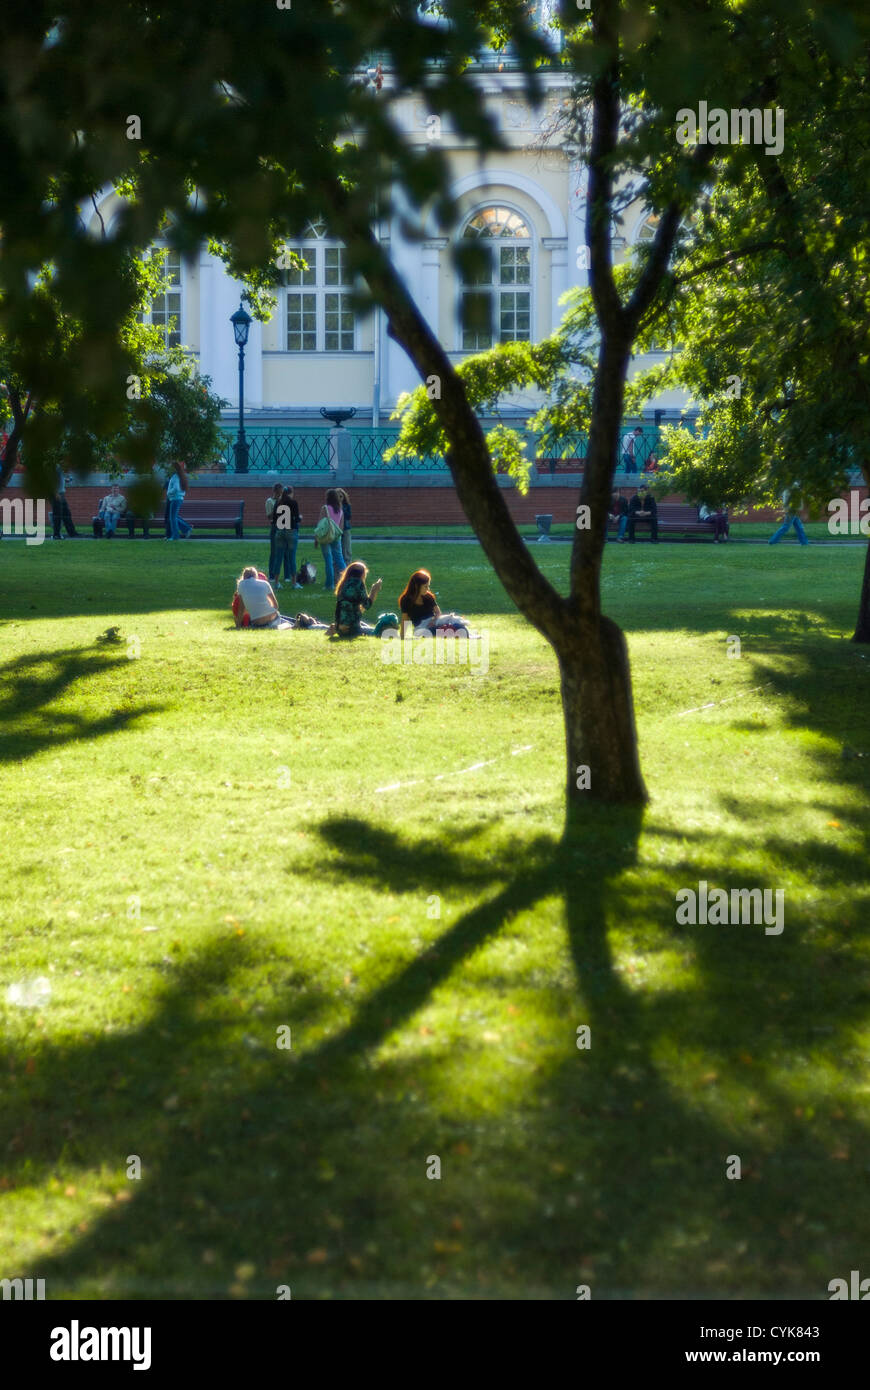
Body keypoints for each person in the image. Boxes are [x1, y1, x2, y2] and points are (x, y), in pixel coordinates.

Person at [328, 561, 383, 637]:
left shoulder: (343, 583)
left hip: (339, 627)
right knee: (377, 631)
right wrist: (374, 590)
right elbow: (367, 605)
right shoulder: (358, 583)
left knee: (364, 624)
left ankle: (333, 629)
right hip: (351, 628)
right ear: (362, 574)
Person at [272, 485, 301, 589]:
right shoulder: (293, 503)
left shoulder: (278, 502)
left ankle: (276, 582)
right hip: (291, 530)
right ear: (291, 493)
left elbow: (274, 518)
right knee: (291, 557)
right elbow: (297, 518)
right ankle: (294, 583)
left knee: (278, 557)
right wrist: (299, 518)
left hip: (280, 531)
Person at [318, 488, 346, 590]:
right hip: (336, 536)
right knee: (340, 559)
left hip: (326, 535)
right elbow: (341, 526)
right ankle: (347, 581)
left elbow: (320, 524)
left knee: (328, 560)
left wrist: (316, 538)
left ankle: (329, 584)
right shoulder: (340, 510)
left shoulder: (325, 508)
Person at [166, 463, 192, 540]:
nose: (169, 470)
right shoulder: (180, 476)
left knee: (172, 518)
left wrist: (169, 493)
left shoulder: (175, 477)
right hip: (178, 498)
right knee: (174, 517)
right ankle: (187, 528)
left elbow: (176, 488)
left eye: (170, 468)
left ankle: (175, 536)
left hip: (175, 499)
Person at [51, 466, 78, 539]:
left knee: (66, 513)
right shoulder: (56, 468)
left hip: (61, 494)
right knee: (57, 515)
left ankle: (72, 532)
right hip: (57, 494)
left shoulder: (60, 468)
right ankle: (56, 534)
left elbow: (61, 479)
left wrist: (67, 480)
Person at [265, 483, 283, 581]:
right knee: (274, 552)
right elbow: (269, 516)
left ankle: (285, 575)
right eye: (279, 492)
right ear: (275, 492)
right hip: (275, 527)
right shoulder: (270, 501)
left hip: (284, 526)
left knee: (285, 553)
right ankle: (272, 574)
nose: (280, 494)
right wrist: (277, 506)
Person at [338, 488, 352, 563]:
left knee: (347, 549)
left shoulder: (347, 506)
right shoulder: (333, 507)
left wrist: (341, 508)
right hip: (336, 530)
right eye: (337, 496)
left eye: (341, 496)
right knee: (338, 549)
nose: (339, 498)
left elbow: (349, 516)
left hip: (345, 529)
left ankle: (348, 566)